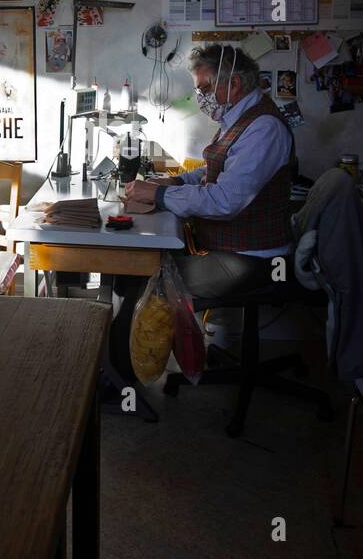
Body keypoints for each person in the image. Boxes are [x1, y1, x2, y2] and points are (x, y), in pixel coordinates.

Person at [109, 44, 296, 387]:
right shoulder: (236, 117)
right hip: (231, 247)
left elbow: (225, 200)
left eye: (206, 88)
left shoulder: (263, 129)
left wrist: (162, 194)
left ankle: (124, 382)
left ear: (235, 83)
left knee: (142, 272)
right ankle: (124, 371)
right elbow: (214, 171)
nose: (201, 97)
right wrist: (174, 181)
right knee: (137, 262)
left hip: (252, 259)